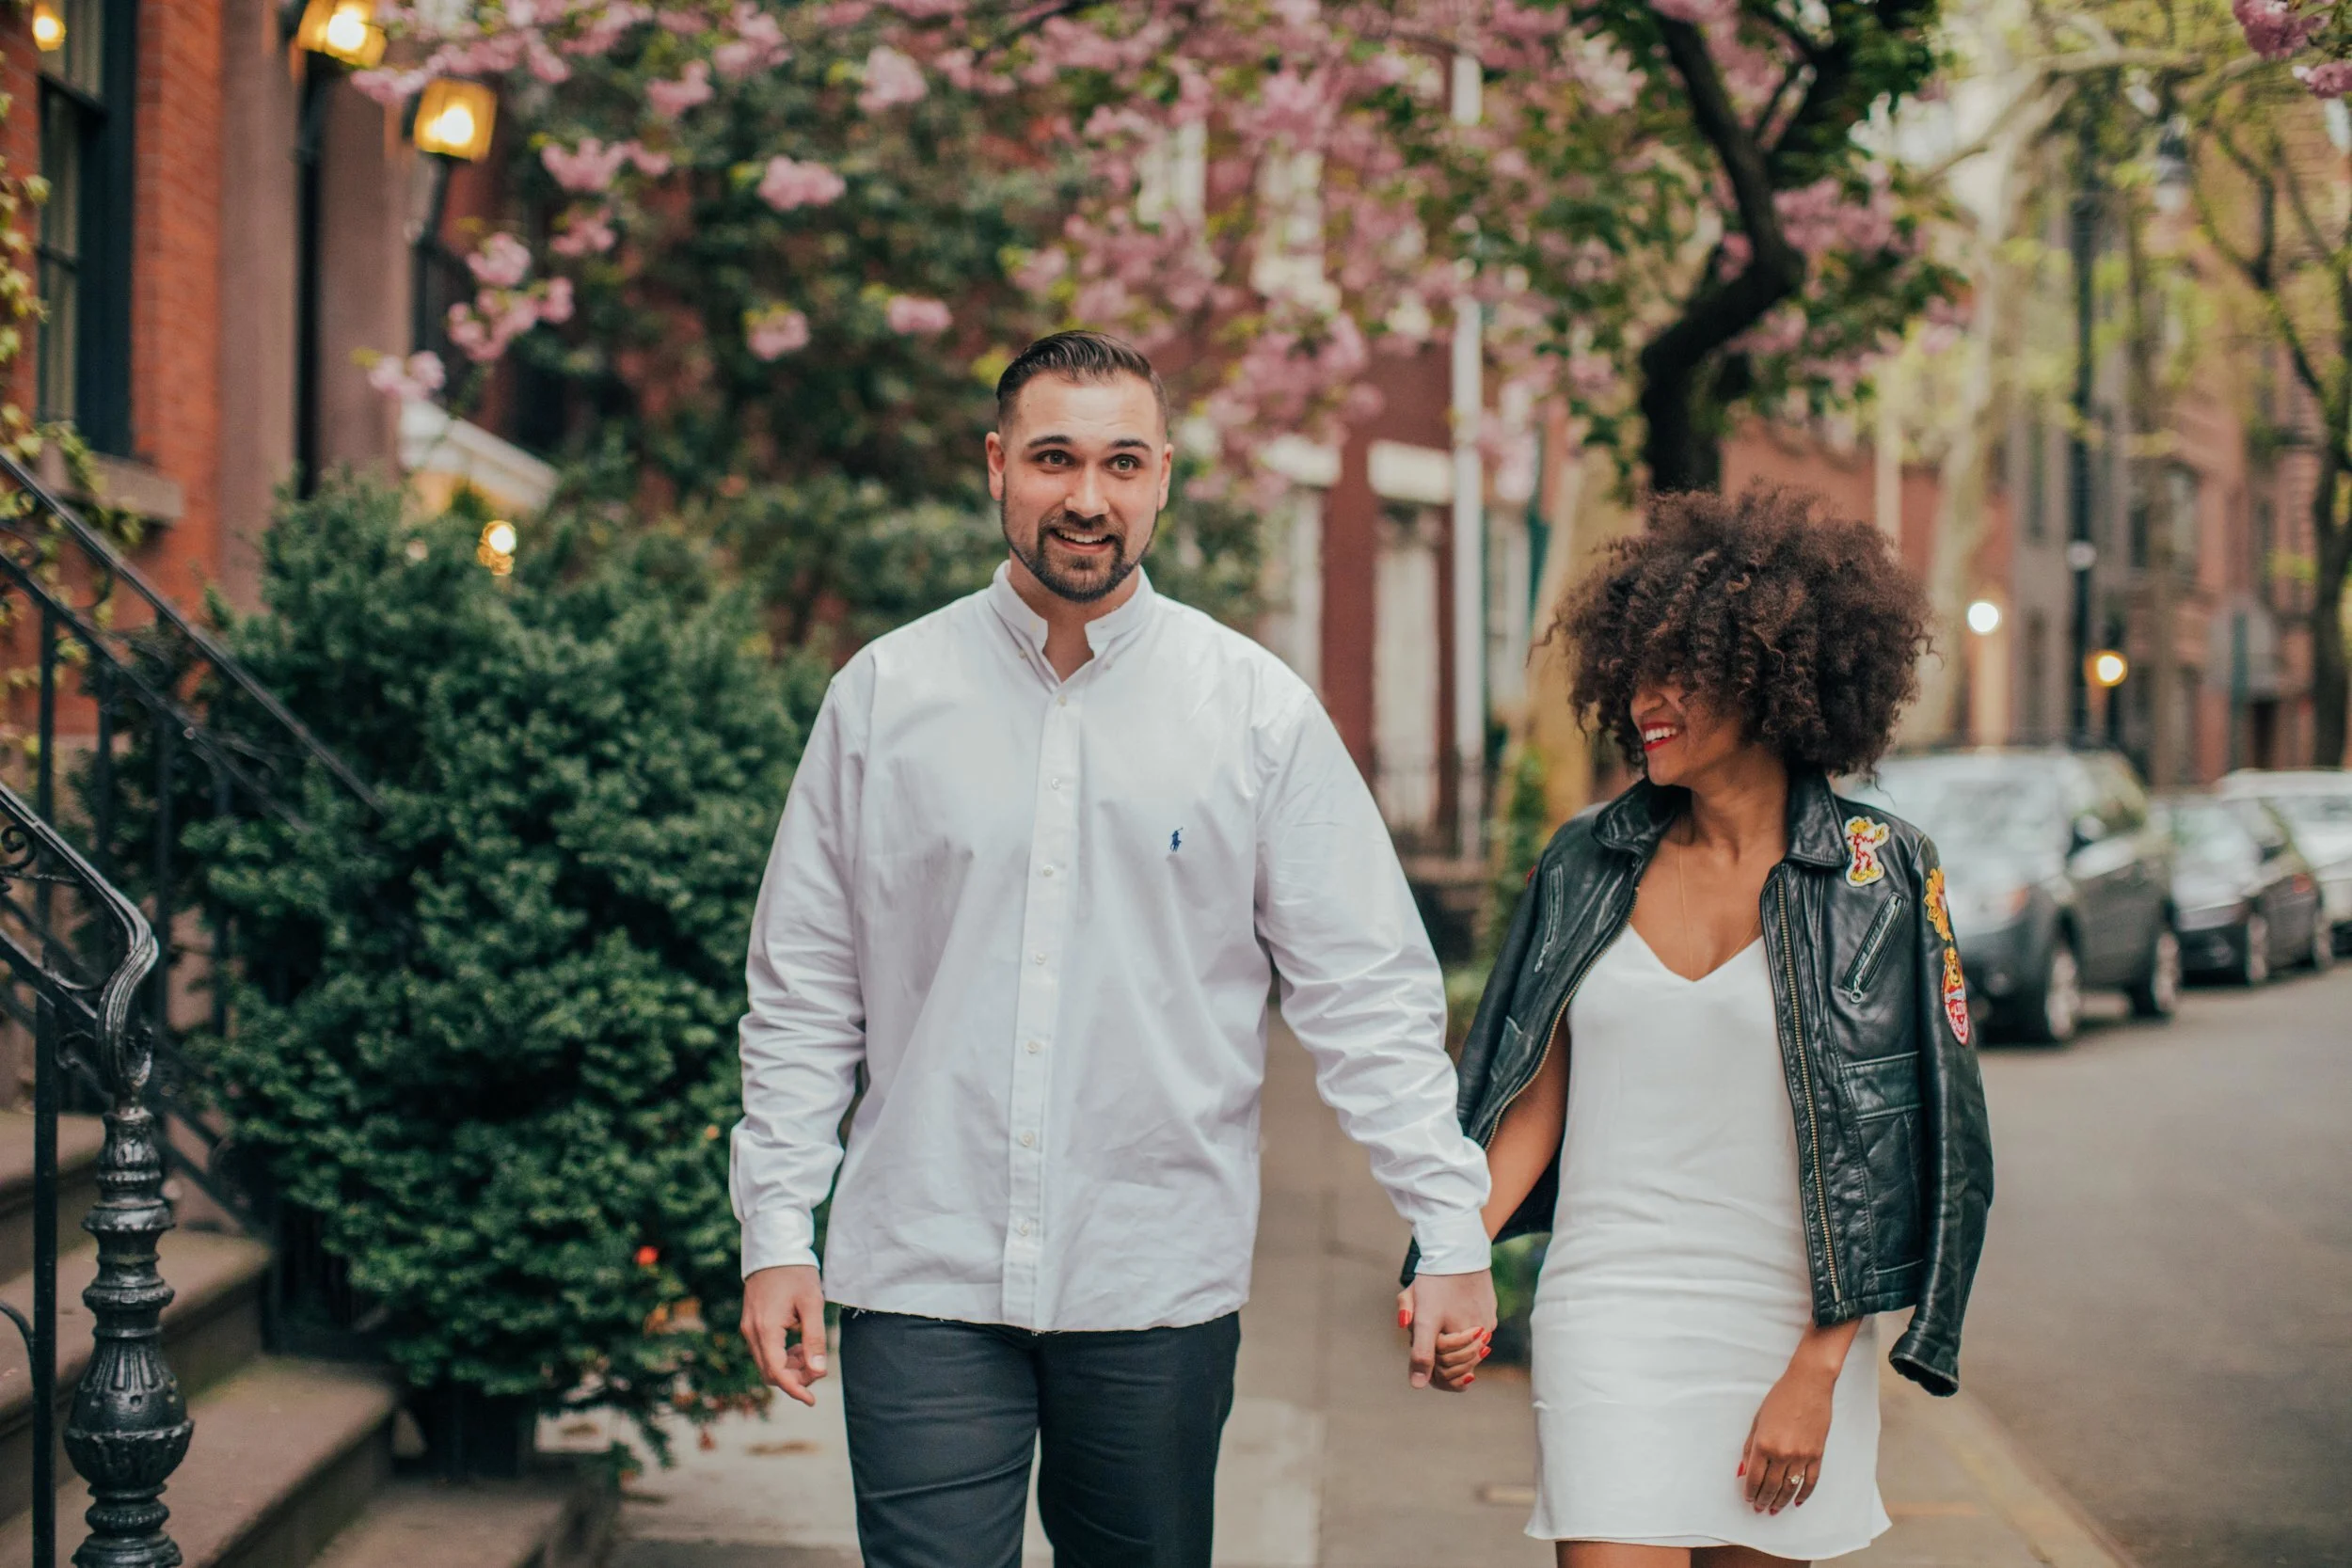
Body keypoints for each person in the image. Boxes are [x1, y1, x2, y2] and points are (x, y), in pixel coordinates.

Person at [731, 329, 1498, 1568]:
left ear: (1162, 480)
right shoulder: (883, 697)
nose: (1087, 496)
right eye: (1054, 458)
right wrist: (777, 1228)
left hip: (1154, 1280)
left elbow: (1367, 994)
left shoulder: (1253, 712)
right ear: (997, 467)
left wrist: (1450, 1226)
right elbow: (807, 985)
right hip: (922, 1267)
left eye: (1121, 462)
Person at [1413, 486, 1994, 1567]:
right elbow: (1538, 1091)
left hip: (1788, 1319)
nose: (1647, 699)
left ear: (1777, 676)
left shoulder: (1881, 874)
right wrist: (1453, 1254)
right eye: (1636, 667)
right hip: (1609, 1309)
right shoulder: (1588, 862)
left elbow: (1910, 1147)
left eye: (1685, 669)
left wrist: (1821, 1369)